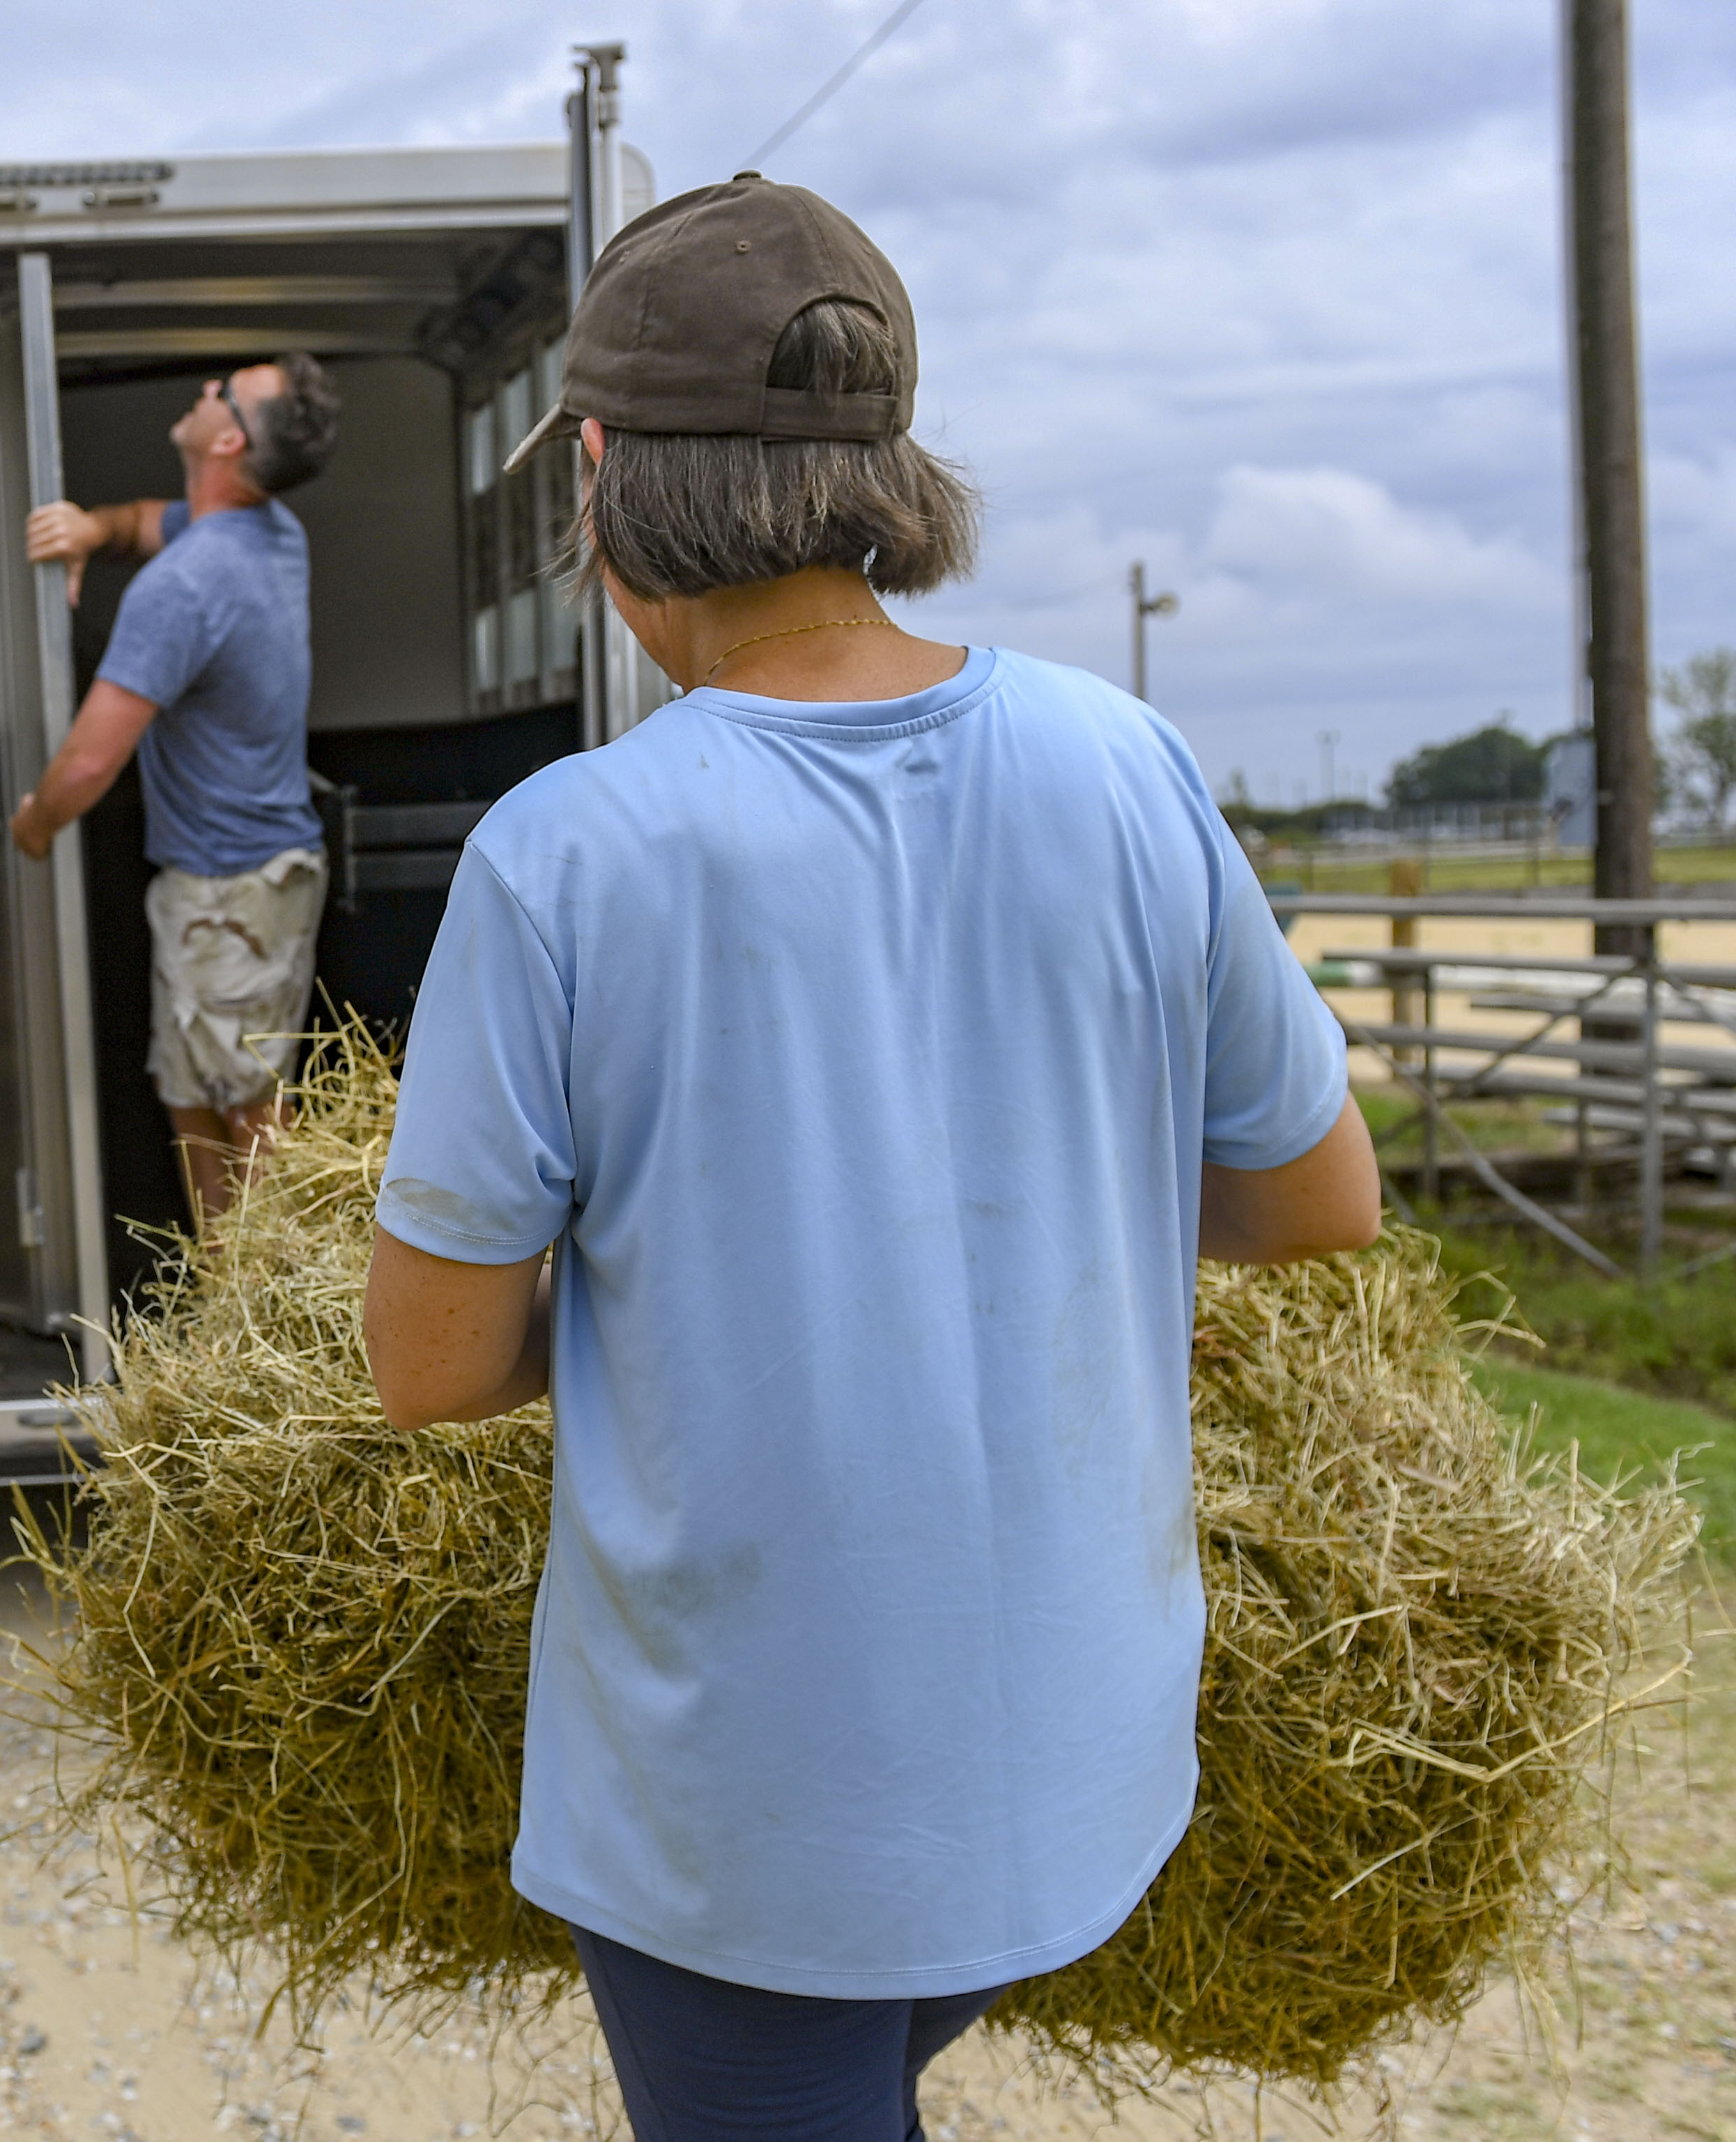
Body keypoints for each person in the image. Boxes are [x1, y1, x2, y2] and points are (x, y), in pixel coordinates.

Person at [360, 177, 1381, 2140]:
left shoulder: (567, 852)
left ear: (600, 477)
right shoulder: (1127, 762)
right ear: (884, 468)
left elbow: (425, 1368)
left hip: (757, 1802)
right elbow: (1317, 1195)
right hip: (1073, 1755)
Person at [11, 353, 344, 1222]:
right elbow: (140, 523)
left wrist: (35, 823)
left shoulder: (183, 587)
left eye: (220, 390)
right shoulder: (266, 532)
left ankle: (268, 1320)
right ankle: (228, 1300)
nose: (203, 388)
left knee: (243, 1108)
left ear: (227, 436)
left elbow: (88, 763)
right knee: (198, 1091)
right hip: (249, 876)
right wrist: (90, 530)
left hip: (230, 889)